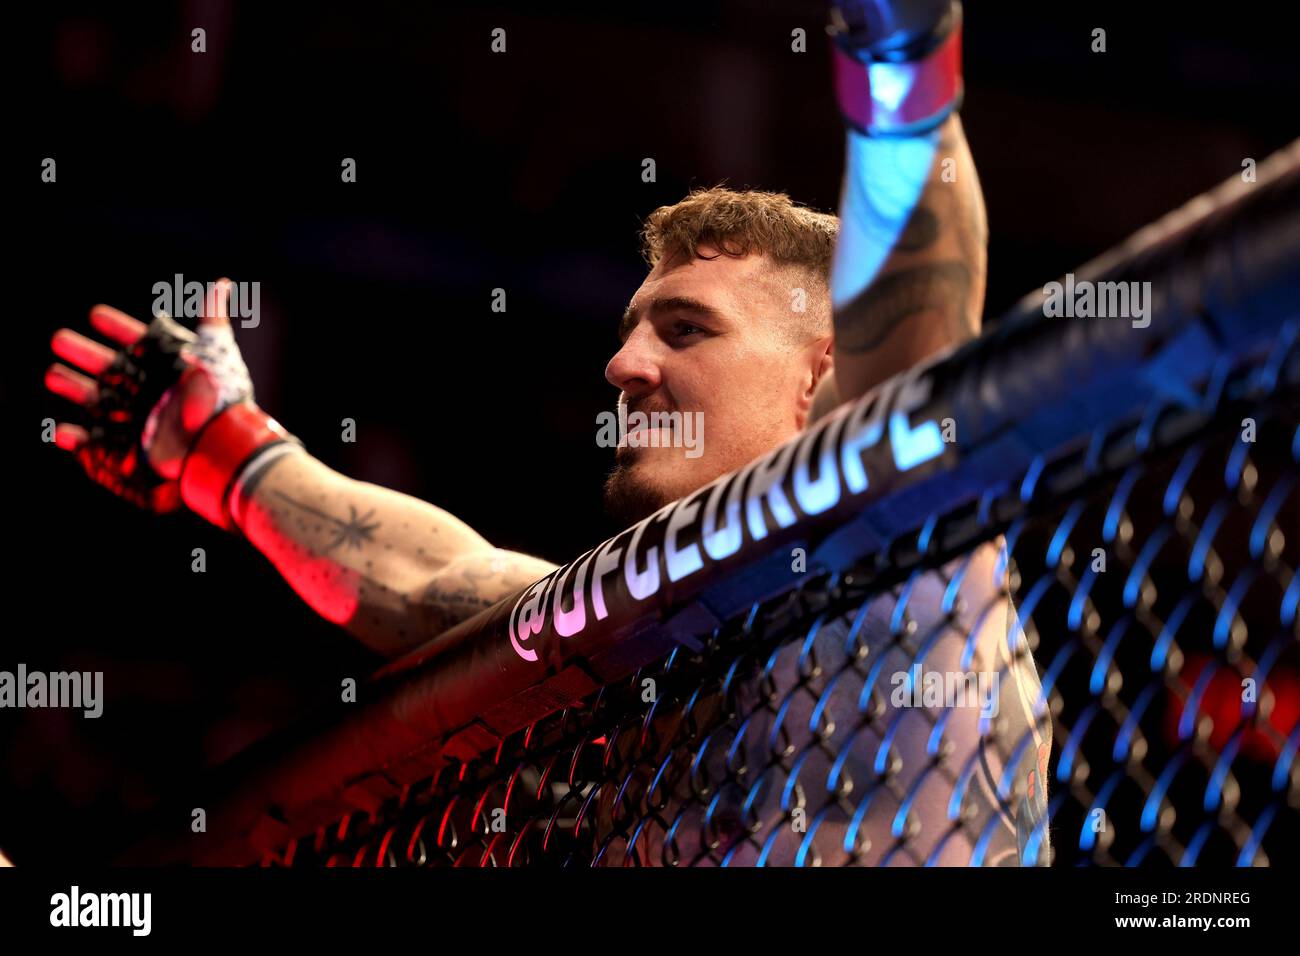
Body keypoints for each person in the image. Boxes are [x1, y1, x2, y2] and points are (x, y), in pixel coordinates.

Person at [44, 0, 1051, 864]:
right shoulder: (670, 628)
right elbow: (439, 583)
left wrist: (899, 56)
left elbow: (915, 320)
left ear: (825, 375)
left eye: (686, 328)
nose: (623, 366)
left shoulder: (907, 571)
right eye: (629, 332)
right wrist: (227, 450)